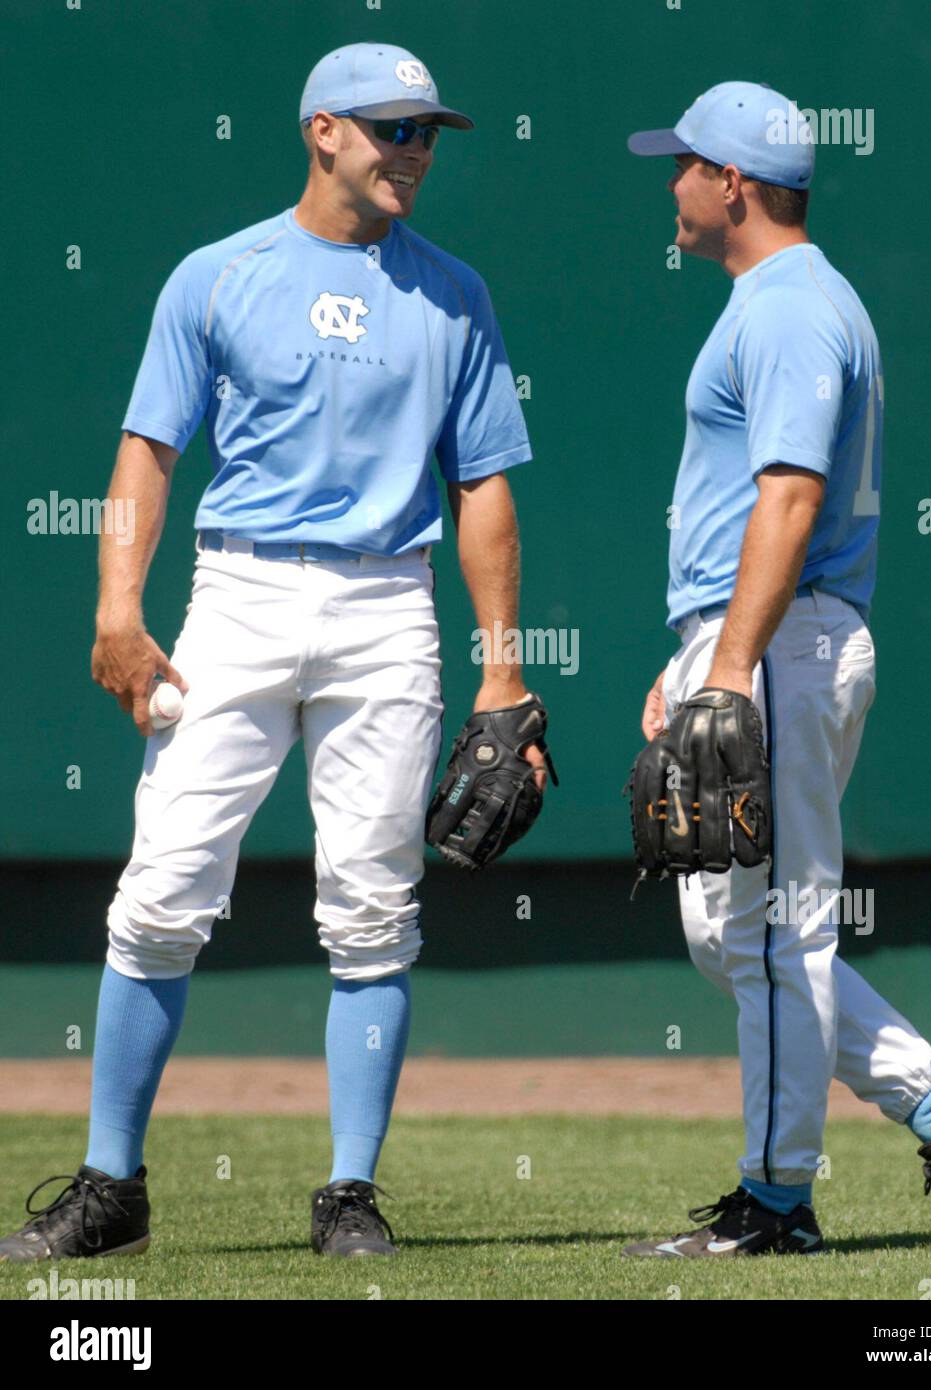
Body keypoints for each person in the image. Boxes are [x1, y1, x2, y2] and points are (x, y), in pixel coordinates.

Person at [0, 42, 545, 1264]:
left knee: (371, 907)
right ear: (322, 132)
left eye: (428, 132)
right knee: (160, 893)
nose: (415, 150)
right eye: (391, 128)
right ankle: (109, 1185)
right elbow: (147, 451)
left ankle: (349, 1194)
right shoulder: (220, 274)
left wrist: (503, 667)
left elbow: (486, 492)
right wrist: (116, 609)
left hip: (387, 606)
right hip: (238, 593)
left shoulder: (453, 292)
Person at [620, 82, 931, 1258]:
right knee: (731, 934)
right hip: (760, 634)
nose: (673, 182)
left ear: (734, 183)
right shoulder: (787, 298)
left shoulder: (792, 305)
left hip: (785, 640)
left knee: (773, 934)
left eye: (687, 163)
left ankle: (777, 1202)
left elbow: (789, 498)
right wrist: (696, 648)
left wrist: (729, 664)